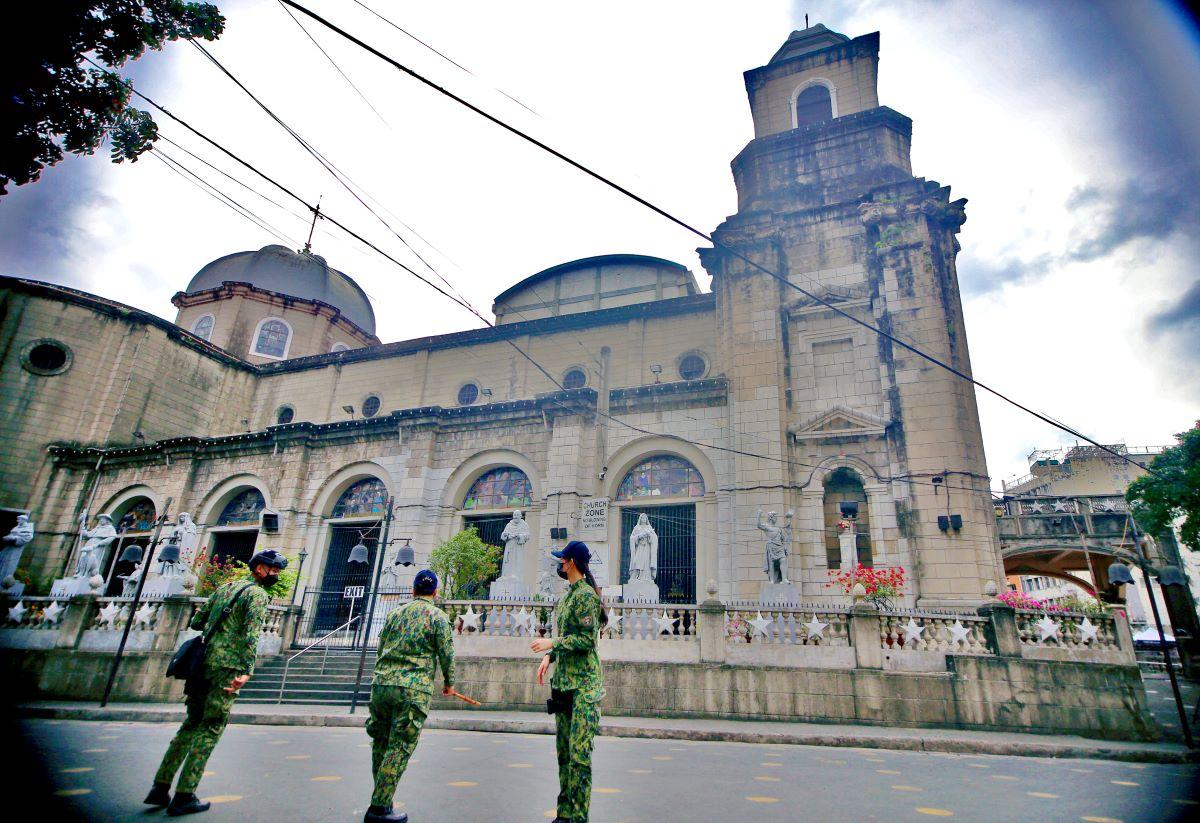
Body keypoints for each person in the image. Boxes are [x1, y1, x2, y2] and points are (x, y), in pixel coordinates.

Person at [144, 549, 286, 816]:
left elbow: (197, 621)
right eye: (274, 570)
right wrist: (247, 670)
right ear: (259, 568)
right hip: (227, 667)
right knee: (210, 727)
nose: (276, 575)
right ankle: (184, 795)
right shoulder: (257, 595)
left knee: (191, 723)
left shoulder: (225, 588)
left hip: (202, 664)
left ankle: (159, 787)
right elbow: (251, 634)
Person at [364, 568, 455, 823]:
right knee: (399, 746)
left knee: (381, 743)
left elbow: (381, 648)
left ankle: (382, 799)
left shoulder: (394, 614)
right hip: (412, 690)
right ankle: (379, 808)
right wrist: (449, 683)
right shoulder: (437, 617)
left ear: (413, 590)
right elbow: (447, 654)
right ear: (435, 592)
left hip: (382, 684)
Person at [531, 540, 607, 823]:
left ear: (571, 562)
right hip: (563, 685)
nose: (559, 564)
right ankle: (564, 814)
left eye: (561, 559)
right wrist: (549, 656)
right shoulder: (566, 598)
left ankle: (578, 817)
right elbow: (566, 639)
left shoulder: (586, 595)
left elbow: (586, 640)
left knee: (579, 756)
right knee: (564, 754)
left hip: (584, 687)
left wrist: (552, 643)